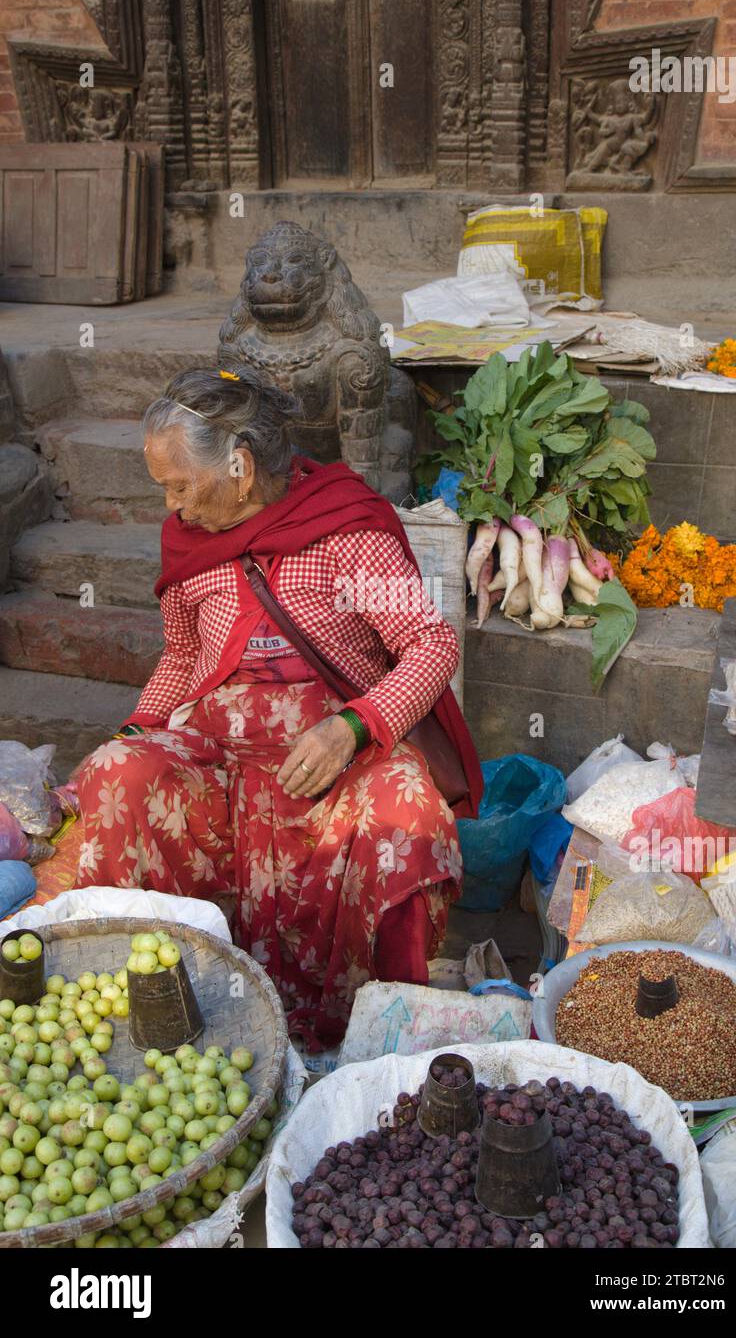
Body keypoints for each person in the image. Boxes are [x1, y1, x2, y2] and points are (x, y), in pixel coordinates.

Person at [75, 364, 482, 1047]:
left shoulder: (346, 531)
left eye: (177, 484)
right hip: (221, 764)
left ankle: (381, 1037)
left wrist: (352, 728)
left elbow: (430, 645)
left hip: (333, 765)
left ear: (237, 466)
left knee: (403, 813)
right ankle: (166, 1014)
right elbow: (181, 657)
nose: (171, 506)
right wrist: (137, 730)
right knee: (118, 774)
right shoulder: (191, 542)